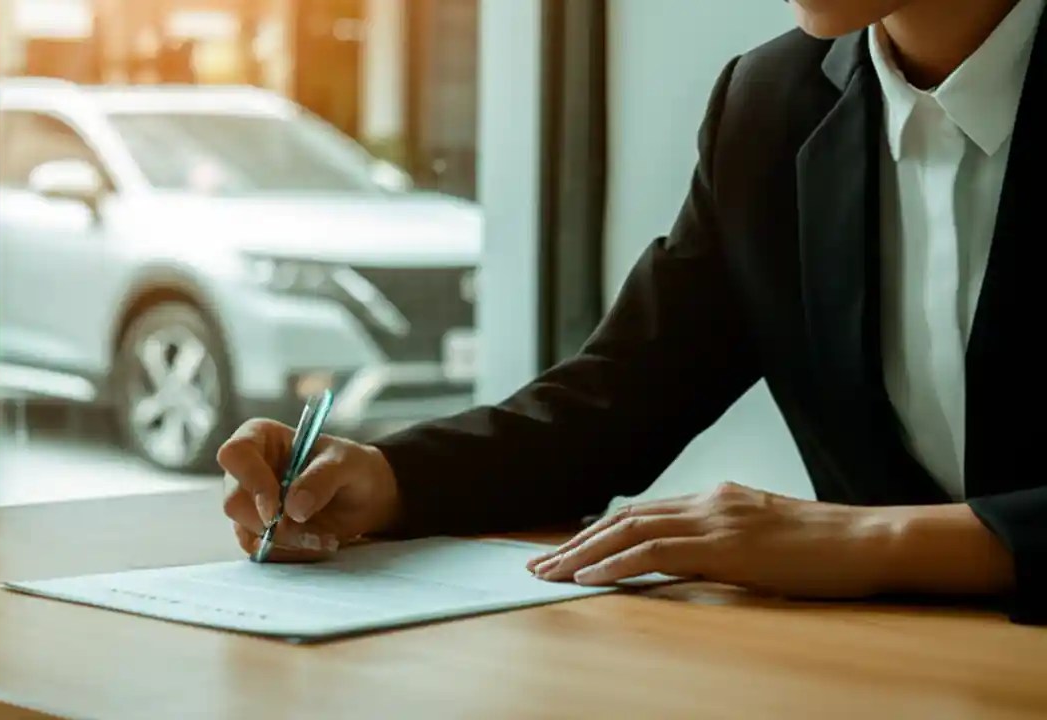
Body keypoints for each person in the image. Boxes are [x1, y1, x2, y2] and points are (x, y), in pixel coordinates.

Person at [219, 0, 1046, 625]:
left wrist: (867, 540)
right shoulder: (772, 102)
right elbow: (613, 402)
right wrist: (390, 479)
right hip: (891, 673)